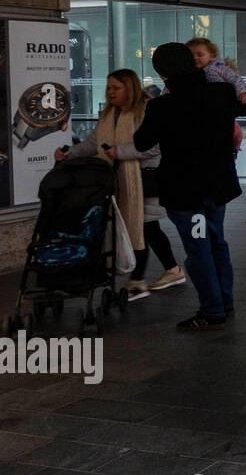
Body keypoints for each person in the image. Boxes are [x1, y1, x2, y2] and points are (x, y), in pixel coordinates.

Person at [134, 43, 246, 330]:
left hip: (186, 193)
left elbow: (141, 142)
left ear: (162, 73)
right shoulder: (221, 93)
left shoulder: (162, 105)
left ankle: (212, 310)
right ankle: (225, 300)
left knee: (199, 249)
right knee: (217, 242)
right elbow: (244, 108)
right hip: (217, 186)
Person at [54, 69, 185, 301]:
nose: (110, 92)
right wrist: (70, 154)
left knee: (141, 228)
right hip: (119, 180)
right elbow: (93, 144)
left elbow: (154, 147)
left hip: (145, 179)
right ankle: (172, 270)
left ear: (130, 88)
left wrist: (120, 152)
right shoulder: (109, 114)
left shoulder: (146, 110)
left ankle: (137, 281)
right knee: (147, 228)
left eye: (116, 88)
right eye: (109, 88)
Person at [187, 38, 246, 155]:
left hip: (219, 108)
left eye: (199, 55)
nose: (195, 58)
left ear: (212, 56)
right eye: (191, 55)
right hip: (207, 113)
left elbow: (236, 80)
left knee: (234, 132)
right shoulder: (187, 72)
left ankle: (235, 150)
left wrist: (243, 92)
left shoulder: (219, 68)